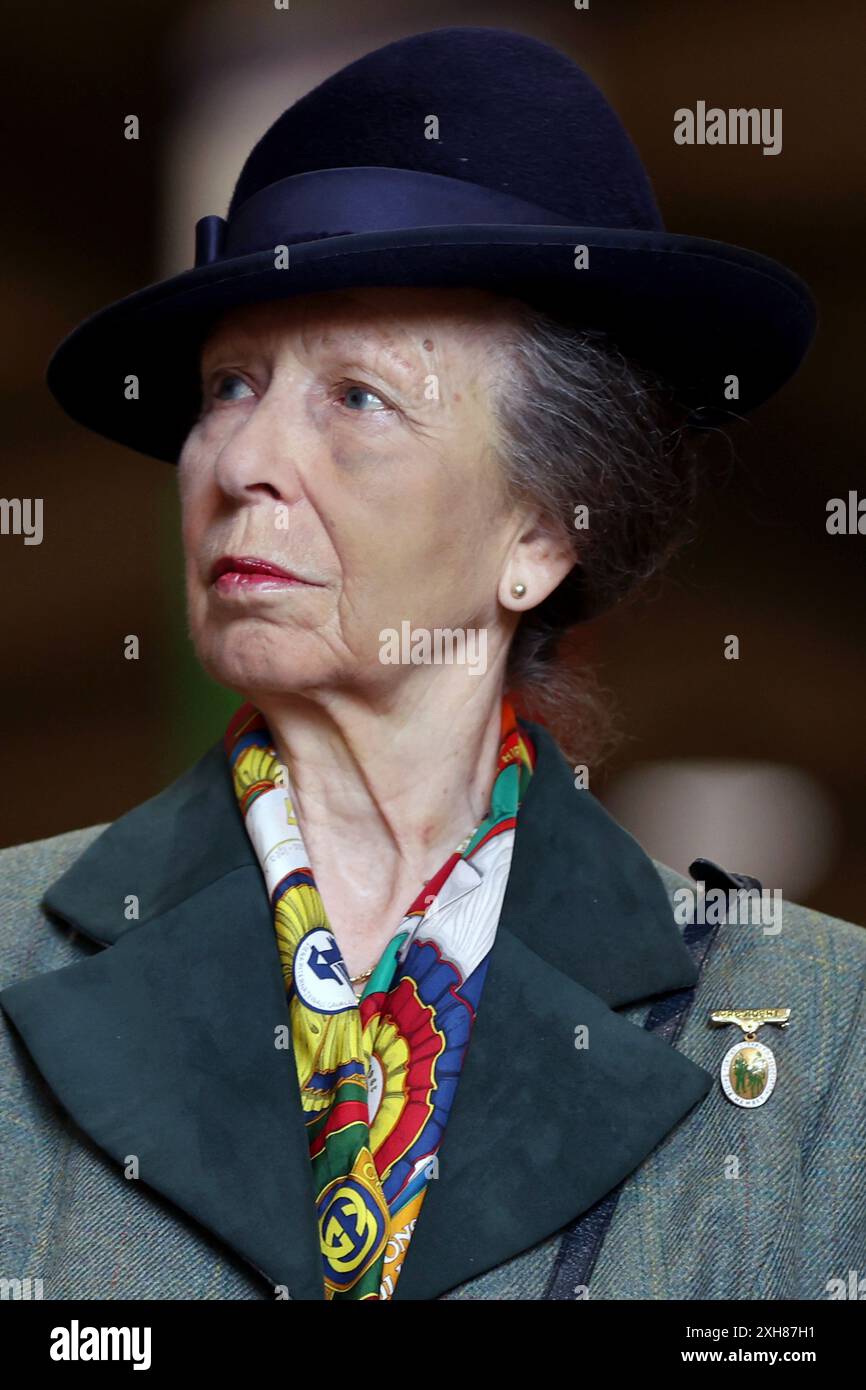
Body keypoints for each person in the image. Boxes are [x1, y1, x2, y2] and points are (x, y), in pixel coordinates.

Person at [1, 25, 863, 1302]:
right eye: (231, 384)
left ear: (539, 532)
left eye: (356, 397)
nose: (241, 463)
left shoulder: (818, 1025)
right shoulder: (13, 948)